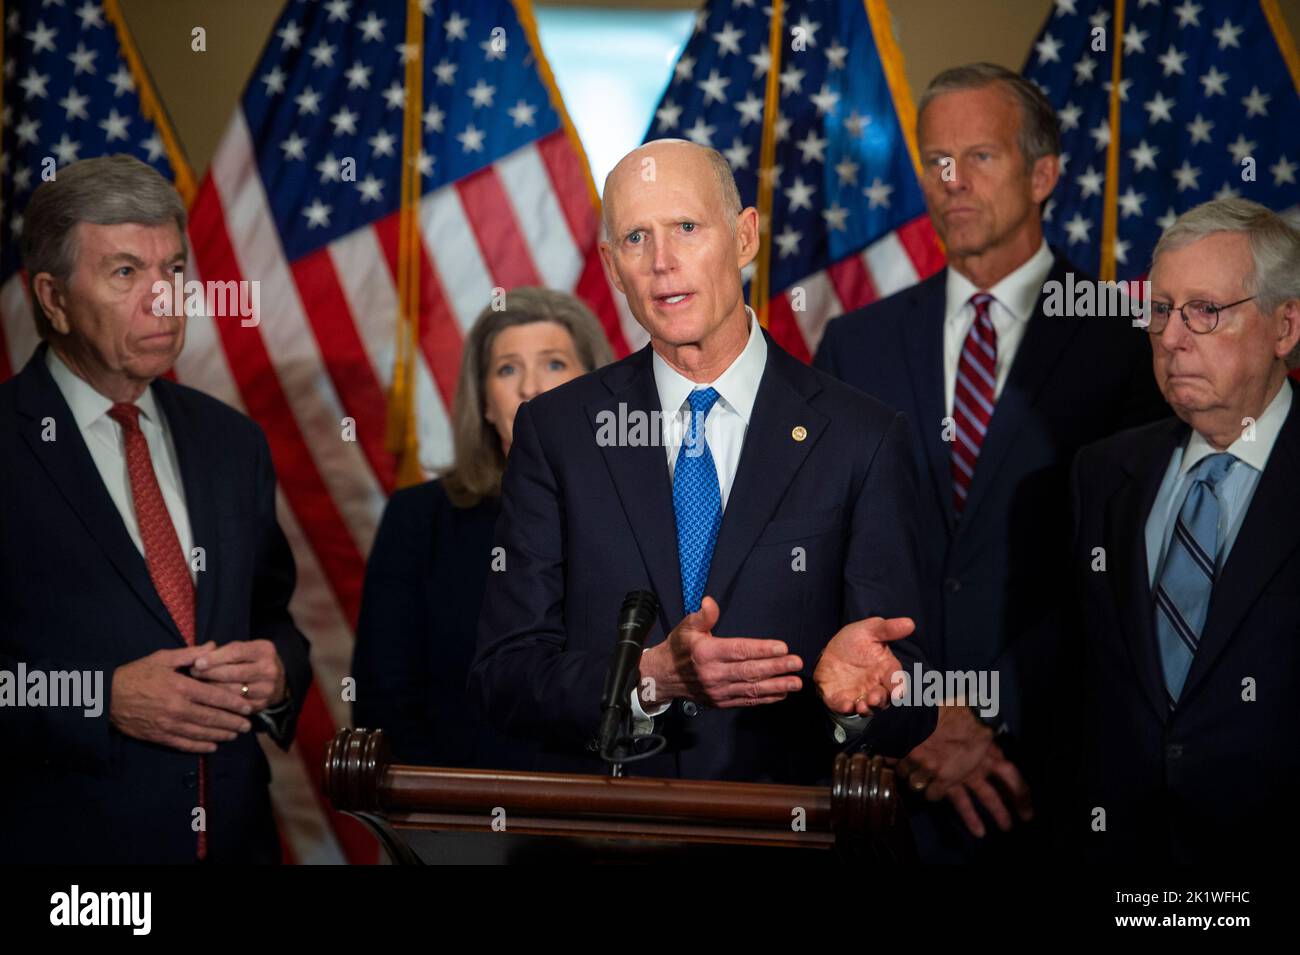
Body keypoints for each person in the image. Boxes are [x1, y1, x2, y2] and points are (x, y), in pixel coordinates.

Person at [471, 139, 936, 783]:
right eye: (636, 238)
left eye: (687, 228)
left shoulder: (862, 436)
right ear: (611, 266)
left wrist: (861, 702)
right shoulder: (558, 433)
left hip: (785, 833)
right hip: (609, 839)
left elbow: (912, 698)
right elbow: (506, 674)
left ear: (744, 237)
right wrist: (645, 681)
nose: (663, 262)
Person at [814, 63, 1167, 858]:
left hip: (1046, 773)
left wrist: (984, 713)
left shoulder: (1129, 342)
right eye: (937, 161)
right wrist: (918, 716)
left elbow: (1127, 574)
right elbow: (825, 557)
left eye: (980, 156)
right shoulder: (854, 345)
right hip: (883, 781)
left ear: (1043, 173)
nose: (953, 182)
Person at [0, 155, 311, 864]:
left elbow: (274, 619)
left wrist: (277, 671)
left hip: (235, 839)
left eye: (173, 270)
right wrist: (100, 696)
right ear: (51, 297)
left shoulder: (231, 442)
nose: (164, 299)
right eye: (125, 273)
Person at [1065, 198, 1300, 863]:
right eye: (1161, 310)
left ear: (1286, 325)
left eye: (1205, 310)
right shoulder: (1103, 472)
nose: (1170, 338)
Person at [351, 288, 613, 768]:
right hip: (456, 817)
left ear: (593, 389)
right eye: (507, 368)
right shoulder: (419, 519)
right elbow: (383, 700)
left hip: (613, 819)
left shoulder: (640, 513)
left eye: (555, 364)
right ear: (486, 403)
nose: (530, 388)